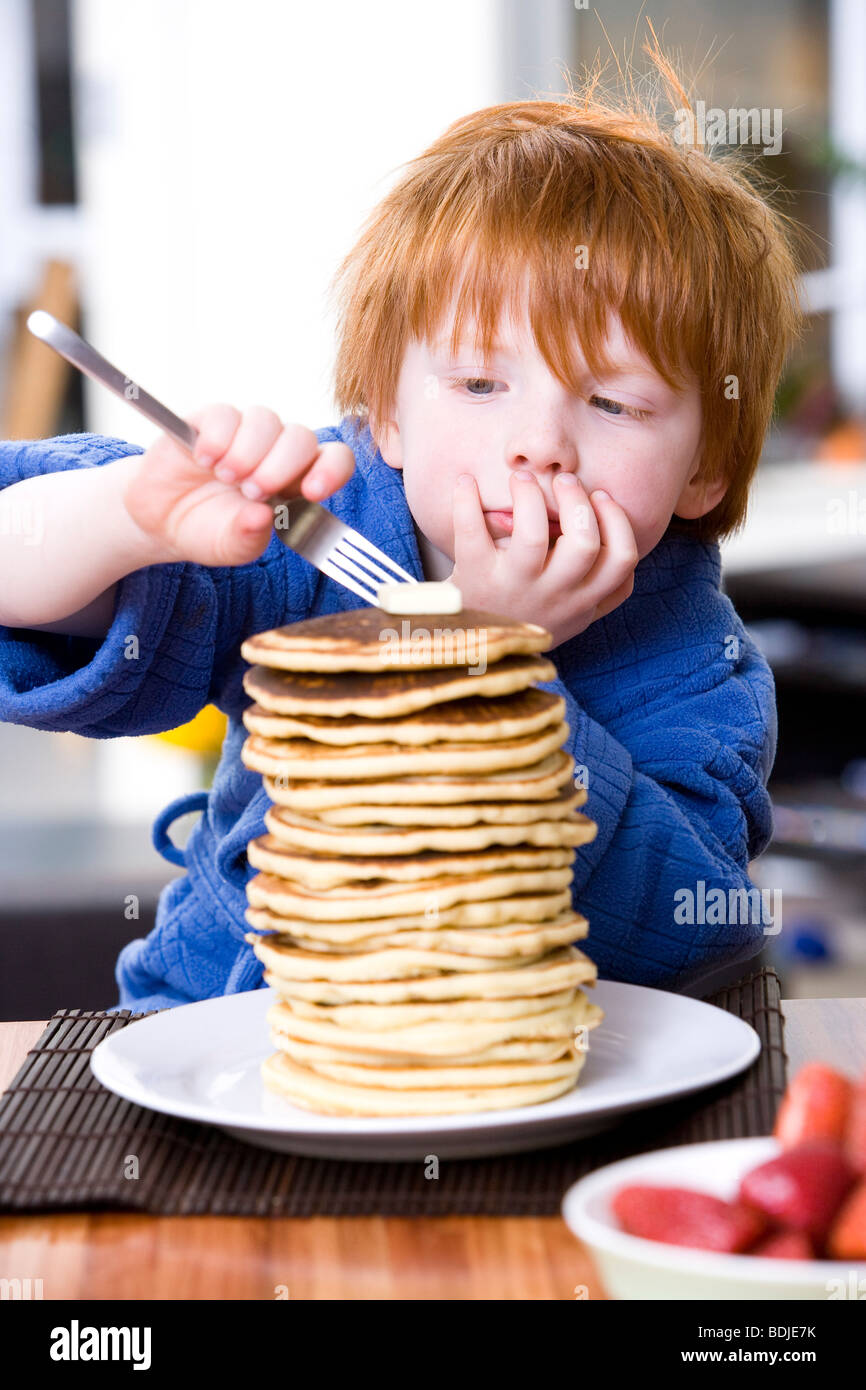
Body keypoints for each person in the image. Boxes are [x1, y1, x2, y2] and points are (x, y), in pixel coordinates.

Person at [0, 58, 805, 1011]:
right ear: (385, 411)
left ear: (705, 466)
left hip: (530, 1078)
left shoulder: (697, 666)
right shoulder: (315, 528)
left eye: (613, 403)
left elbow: (680, 926)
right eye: (478, 385)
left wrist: (485, 656)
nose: (537, 446)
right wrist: (128, 517)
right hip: (222, 1037)